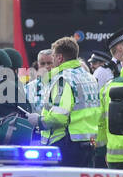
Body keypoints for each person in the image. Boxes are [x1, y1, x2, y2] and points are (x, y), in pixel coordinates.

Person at [34, 36, 99, 167]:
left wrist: (38, 120)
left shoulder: (63, 80)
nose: (52, 60)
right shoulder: (89, 77)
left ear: (60, 58)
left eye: (53, 56)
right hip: (89, 143)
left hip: (67, 144)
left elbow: (59, 117)